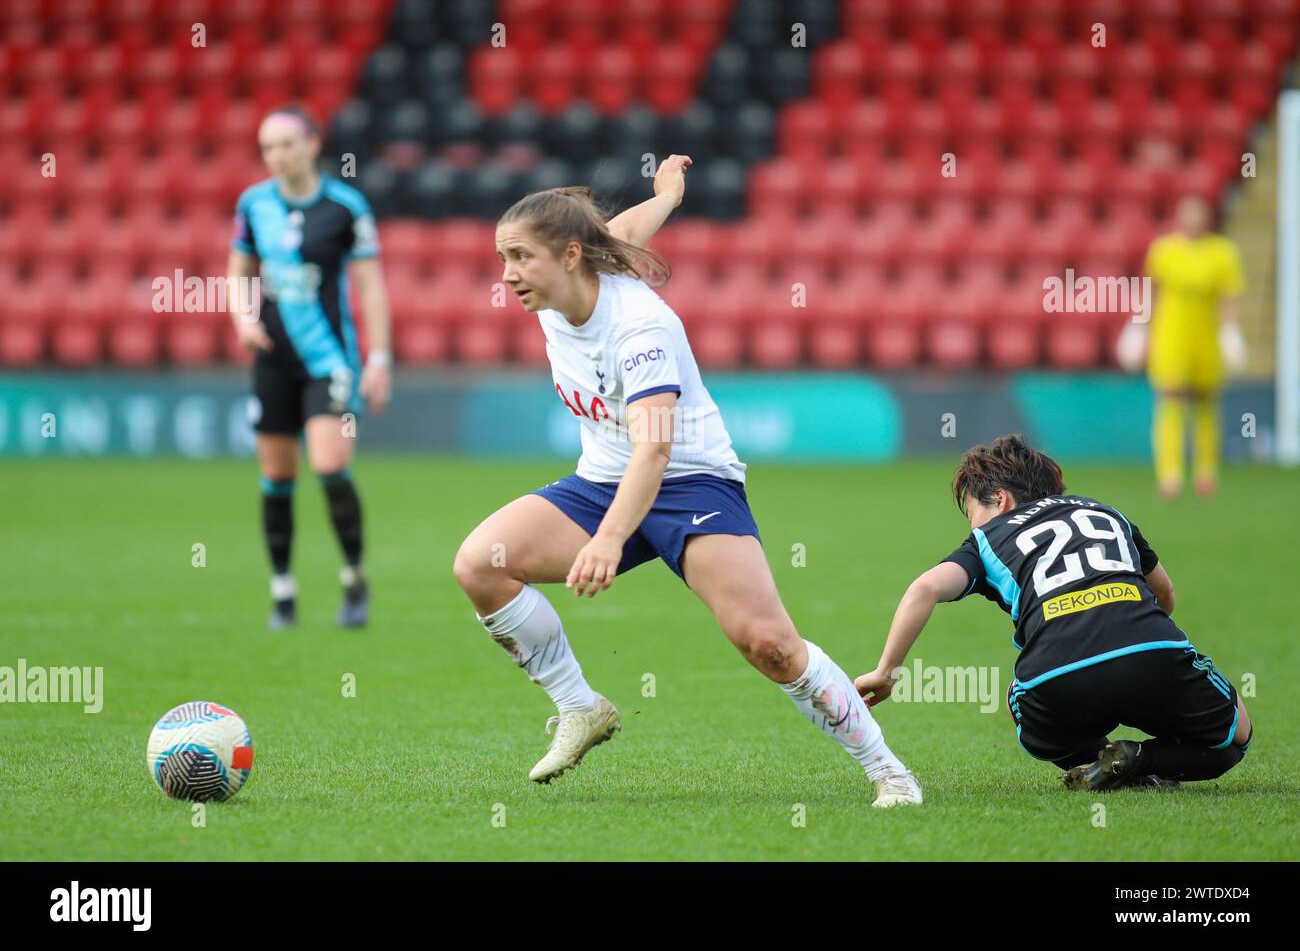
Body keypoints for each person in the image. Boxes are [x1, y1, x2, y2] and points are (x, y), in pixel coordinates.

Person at [452, 155, 921, 806]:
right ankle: (580, 707)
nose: (506, 275)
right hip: (602, 481)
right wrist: (668, 193)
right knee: (481, 564)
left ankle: (888, 771)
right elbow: (623, 232)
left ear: (566, 255)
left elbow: (655, 451)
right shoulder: (566, 281)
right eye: (502, 257)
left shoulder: (638, 329)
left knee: (770, 644)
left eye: (518, 257)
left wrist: (608, 540)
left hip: (690, 485)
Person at [856, 434, 1251, 791]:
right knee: (1236, 740)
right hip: (1153, 654)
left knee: (1019, 696)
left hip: (1057, 679)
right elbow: (1163, 590)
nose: (972, 523)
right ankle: (1143, 759)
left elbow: (925, 588)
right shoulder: (1107, 513)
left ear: (1001, 499)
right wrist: (1143, 644)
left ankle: (1110, 761)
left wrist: (886, 672)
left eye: (972, 511)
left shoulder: (987, 538)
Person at [226, 106, 393, 630]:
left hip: (330, 361)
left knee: (329, 465)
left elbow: (369, 285)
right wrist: (243, 317)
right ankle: (283, 592)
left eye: (286, 144)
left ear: (312, 144)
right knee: (277, 474)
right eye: (268, 147)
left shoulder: (345, 206)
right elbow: (238, 270)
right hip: (273, 360)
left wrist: (380, 358)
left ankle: (354, 577)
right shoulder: (253, 204)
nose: (277, 155)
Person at [1142, 195, 1247, 500]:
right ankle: (1170, 473)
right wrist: (1139, 326)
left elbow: (1229, 295)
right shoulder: (1164, 250)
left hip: (1206, 335)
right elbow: (1151, 290)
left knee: (1205, 401)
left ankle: (1206, 472)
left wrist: (1230, 331)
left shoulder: (1223, 252)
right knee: (1170, 398)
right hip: (1172, 334)